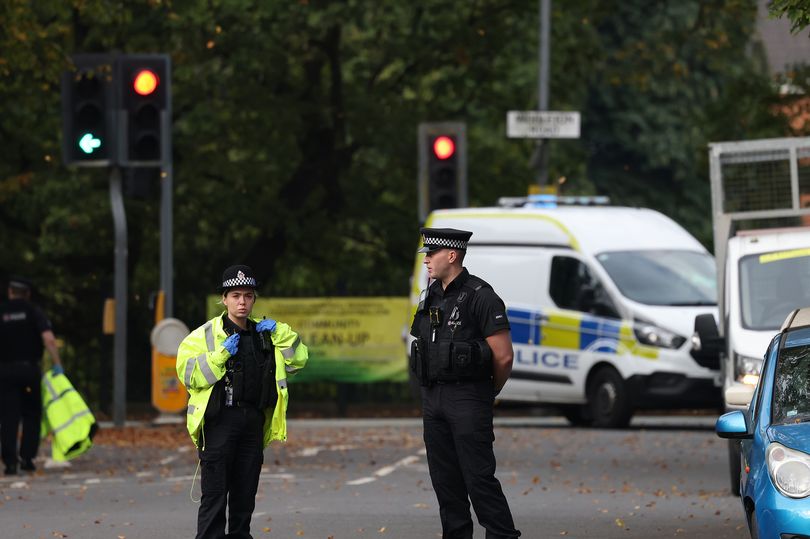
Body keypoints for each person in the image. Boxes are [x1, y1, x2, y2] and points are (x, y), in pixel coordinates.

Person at [176, 264, 308, 539]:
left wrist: (281, 333)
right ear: (224, 299)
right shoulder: (204, 335)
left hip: (253, 421)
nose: (242, 302)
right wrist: (220, 356)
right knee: (214, 496)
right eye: (235, 296)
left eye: (248, 296)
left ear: (254, 299)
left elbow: (298, 361)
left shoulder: (266, 334)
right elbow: (188, 375)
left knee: (244, 497)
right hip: (220, 421)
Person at [409, 228, 521, 539]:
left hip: (468, 396)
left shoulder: (481, 296)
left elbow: (504, 356)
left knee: (478, 479)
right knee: (445, 482)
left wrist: (489, 391)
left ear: (451, 255)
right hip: (434, 397)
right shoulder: (430, 294)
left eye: (431, 254)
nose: (426, 260)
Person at [0, 276, 63, 475]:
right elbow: (49, 339)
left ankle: (10, 462)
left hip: (5, 372)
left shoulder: (2, 311)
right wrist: (57, 363)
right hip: (29, 371)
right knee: (31, 414)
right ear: (27, 294)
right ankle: (27, 458)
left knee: (8, 416)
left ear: (10, 292)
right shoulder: (34, 311)